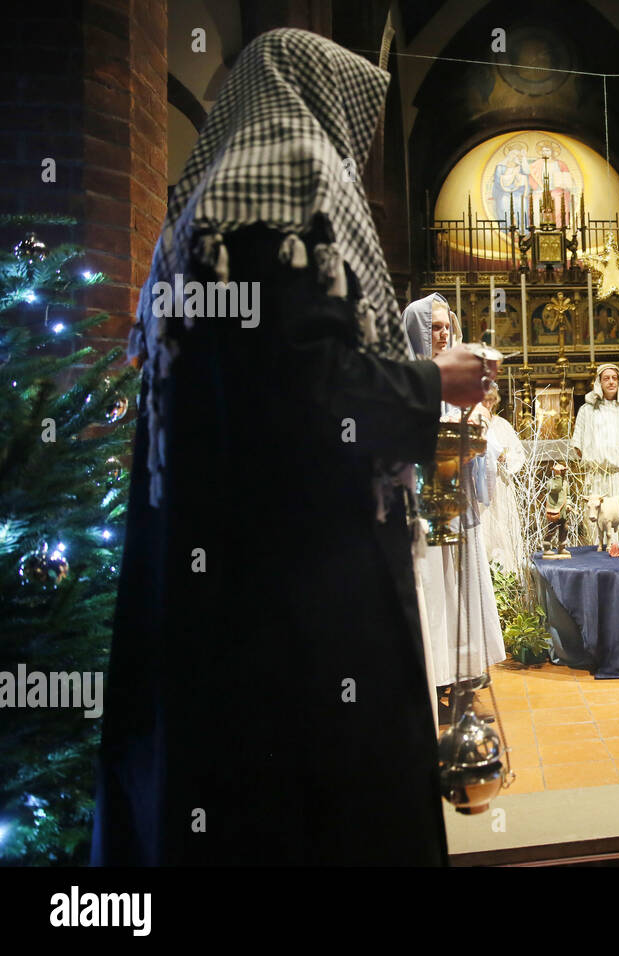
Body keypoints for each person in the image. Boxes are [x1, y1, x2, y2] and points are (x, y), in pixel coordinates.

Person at [93, 29, 495, 866]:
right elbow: (300, 397)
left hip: (210, 596)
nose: (349, 149)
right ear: (316, 105)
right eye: (352, 125)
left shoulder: (200, 210)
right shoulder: (278, 191)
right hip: (298, 611)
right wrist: (432, 382)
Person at [410, 297, 507, 703]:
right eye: (433, 327)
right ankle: (434, 672)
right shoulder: (409, 379)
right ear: (415, 329)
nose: (443, 333)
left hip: (454, 495)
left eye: (446, 326)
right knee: (434, 586)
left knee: (457, 582)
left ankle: (461, 669)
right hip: (422, 501)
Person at [570, 363, 619, 510]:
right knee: (601, 525)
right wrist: (596, 461)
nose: (611, 381)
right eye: (606, 378)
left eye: (614, 378)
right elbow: (578, 445)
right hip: (599, 478)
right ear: (599, 382)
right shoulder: (587, 410)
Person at [473, 382, 527, 574]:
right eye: (483, 399)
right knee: (484, 528)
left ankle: (507, 575)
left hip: (501, 486)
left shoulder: (502, 425)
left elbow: (518, 454)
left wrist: (505, 458)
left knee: (501, 528)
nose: (487, 404)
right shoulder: (470, 423)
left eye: (490, 400)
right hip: (478, 487)